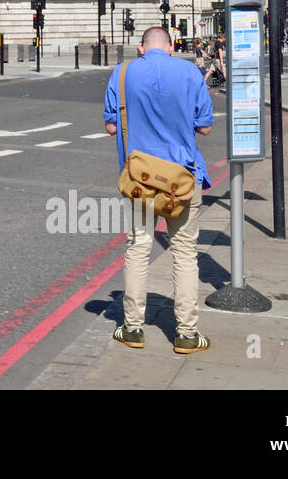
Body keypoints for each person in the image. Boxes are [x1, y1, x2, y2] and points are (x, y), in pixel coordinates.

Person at [103, 26, 214, 354]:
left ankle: (133, 328)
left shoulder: (122, 73)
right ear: (169, 47)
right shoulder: (190, 72)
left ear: (140, 48)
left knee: (137, 248)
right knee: (184, 252)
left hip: (139, 182)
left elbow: (111, 126)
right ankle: (187, 334)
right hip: (180, 178)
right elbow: (205, 127)